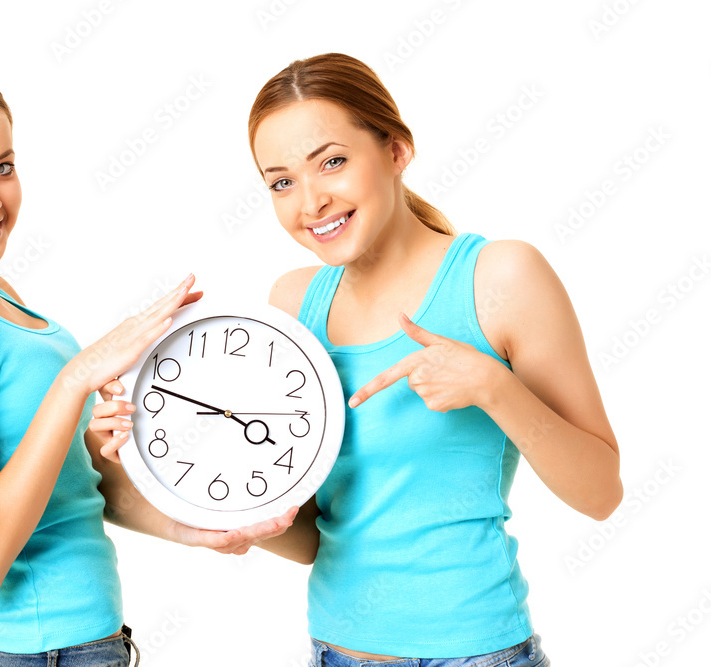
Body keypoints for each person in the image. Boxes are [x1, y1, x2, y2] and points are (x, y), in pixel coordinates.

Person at [94, 53, 622, 666]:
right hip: (336, 651)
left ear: (396, 150)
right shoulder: (292, 305)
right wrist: (220, 506)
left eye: (333, 163)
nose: (311, 201)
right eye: (282, 182)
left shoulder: (499, 277)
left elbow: (601, 493)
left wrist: (492, 387)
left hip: (478, 652)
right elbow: (321, 534)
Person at [0, 57, 292, 667]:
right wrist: (77, 377)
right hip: (35, 654)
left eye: (1, 169)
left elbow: (69, 489)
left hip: (79, 647)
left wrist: (195, 530)